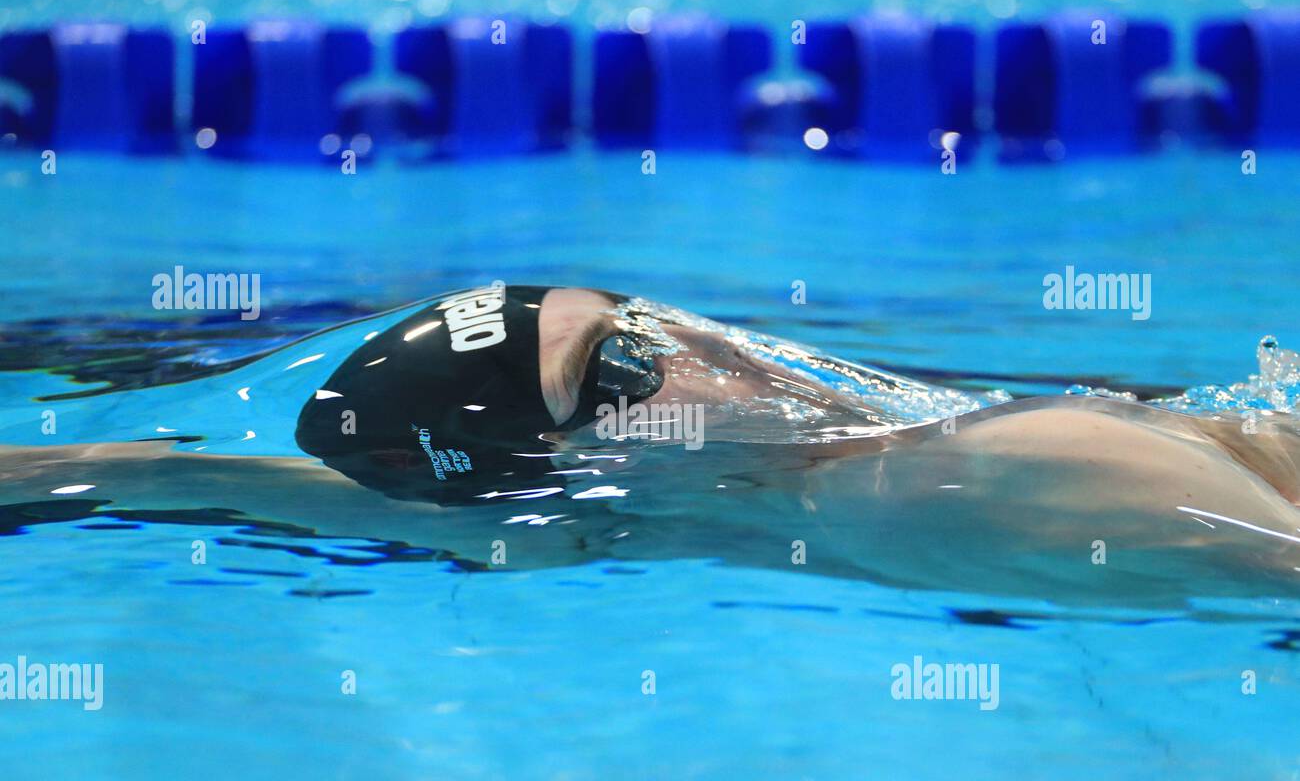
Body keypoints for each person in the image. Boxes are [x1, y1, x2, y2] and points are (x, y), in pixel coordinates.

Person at [2, 285, 1297, 604]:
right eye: (623, 364)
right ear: (577, 470)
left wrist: (125, 467)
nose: (692, 342)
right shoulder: (1020, 465)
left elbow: (416, 506)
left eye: (632, 315)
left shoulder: (639, 512)